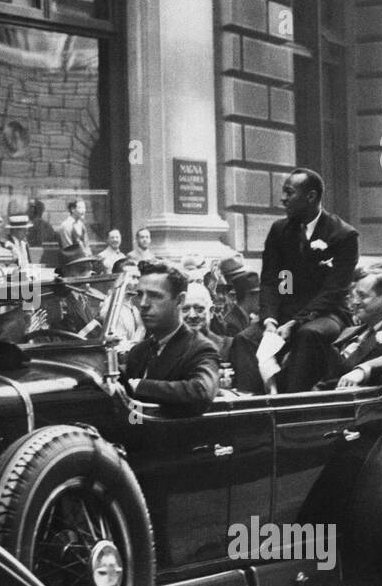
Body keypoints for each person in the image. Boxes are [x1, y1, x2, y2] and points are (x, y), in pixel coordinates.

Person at [232, 168, 359, 393]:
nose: (283, 199)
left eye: (289, 193)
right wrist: (270, 318)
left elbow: (333, 291)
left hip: (327, 314)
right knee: (245, 340)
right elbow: (274, 280)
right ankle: (250, 404)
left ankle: (292, 402)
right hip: (285, 313)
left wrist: (296, 322)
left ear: (310, 196)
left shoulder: (343, 235)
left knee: (308, 334)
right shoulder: (280, 230)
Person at [120, 261, 219, 409]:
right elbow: (134, 415)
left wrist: (139, 386)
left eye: (155, 296)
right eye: (140, 295)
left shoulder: (200, 348)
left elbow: (201, 391)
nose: (143, 303)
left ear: (180, 300)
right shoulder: (139, 352)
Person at [56, 199, 91, 266]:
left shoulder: (82, 225)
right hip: (72, 264)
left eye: (85, 207)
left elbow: (87, 246)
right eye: (80, 208)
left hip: (84, 262)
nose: (84, 210)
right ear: (72, 209)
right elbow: (68, 250)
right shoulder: (66, 226)